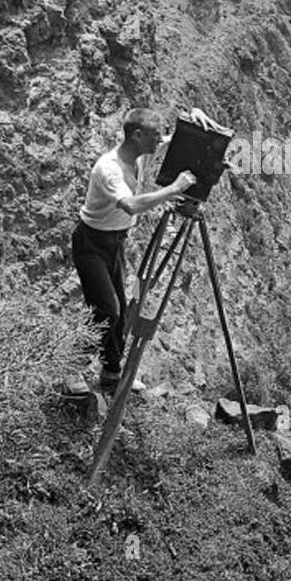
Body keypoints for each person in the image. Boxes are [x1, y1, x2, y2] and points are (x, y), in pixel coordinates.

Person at [71, 107, 199, 392]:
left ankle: (111, 372)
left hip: (115, 242)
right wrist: (174, 189)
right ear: (137, 135)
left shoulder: (138, 154)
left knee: (122, 309)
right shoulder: (109, 168)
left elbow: (173, 139)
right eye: (154, 136)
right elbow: (130, 205)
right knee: (106, 309)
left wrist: (198, 118)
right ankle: (69, 366)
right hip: (91, 243)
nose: (159, 141)